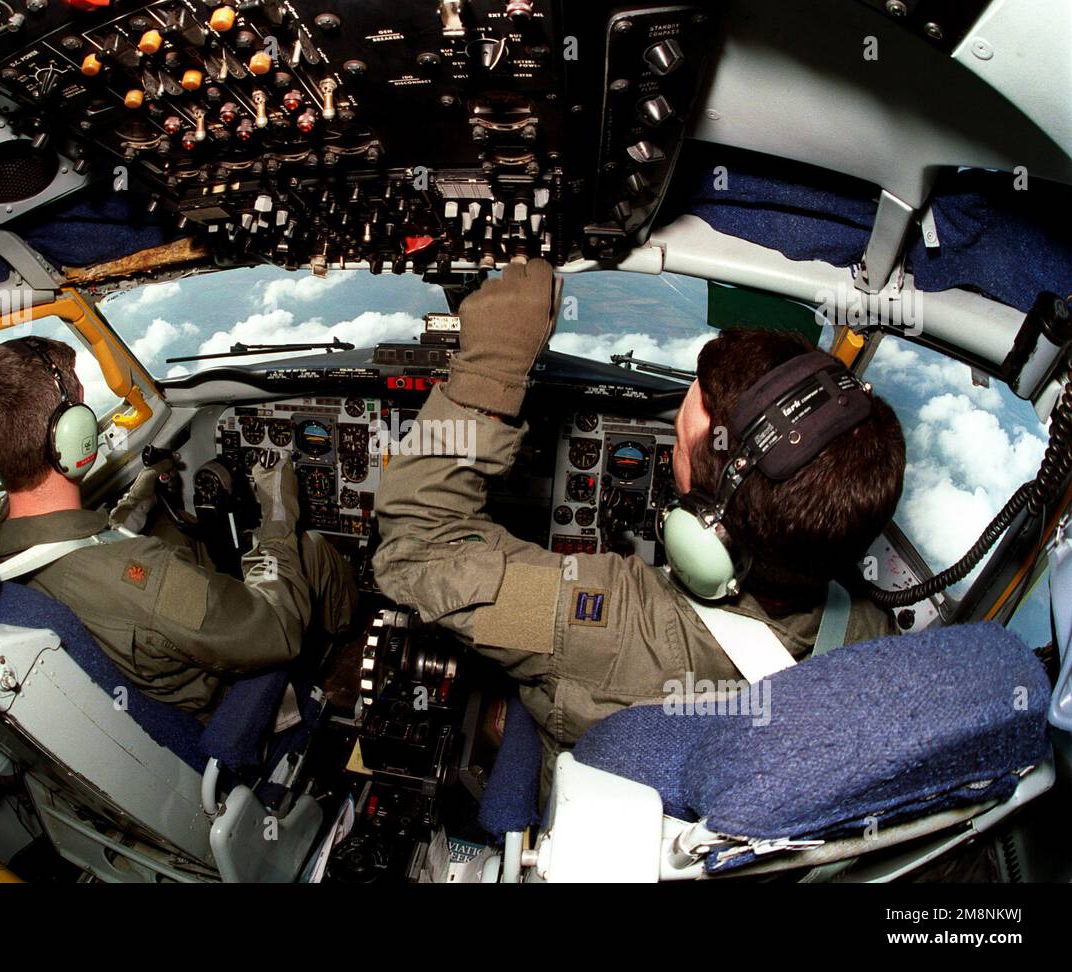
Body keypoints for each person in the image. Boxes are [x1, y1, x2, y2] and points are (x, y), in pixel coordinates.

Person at [372, 260, 905, 782]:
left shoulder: (599, 627)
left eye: (686, 417)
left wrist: (489, 373)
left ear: (705, 526)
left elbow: (419, 548)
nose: (677, 419)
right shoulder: (871, 637)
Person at [0, 335, 357, 720]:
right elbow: (273, 627)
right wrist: (278, 514)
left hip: (147, 667)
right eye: (82, 404)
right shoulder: (145, 577)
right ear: (69, 435)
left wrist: (139, 496)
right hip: (226, 697)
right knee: (310, 547)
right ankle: (346, 648)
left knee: (173, 528)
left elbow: (80, 548)